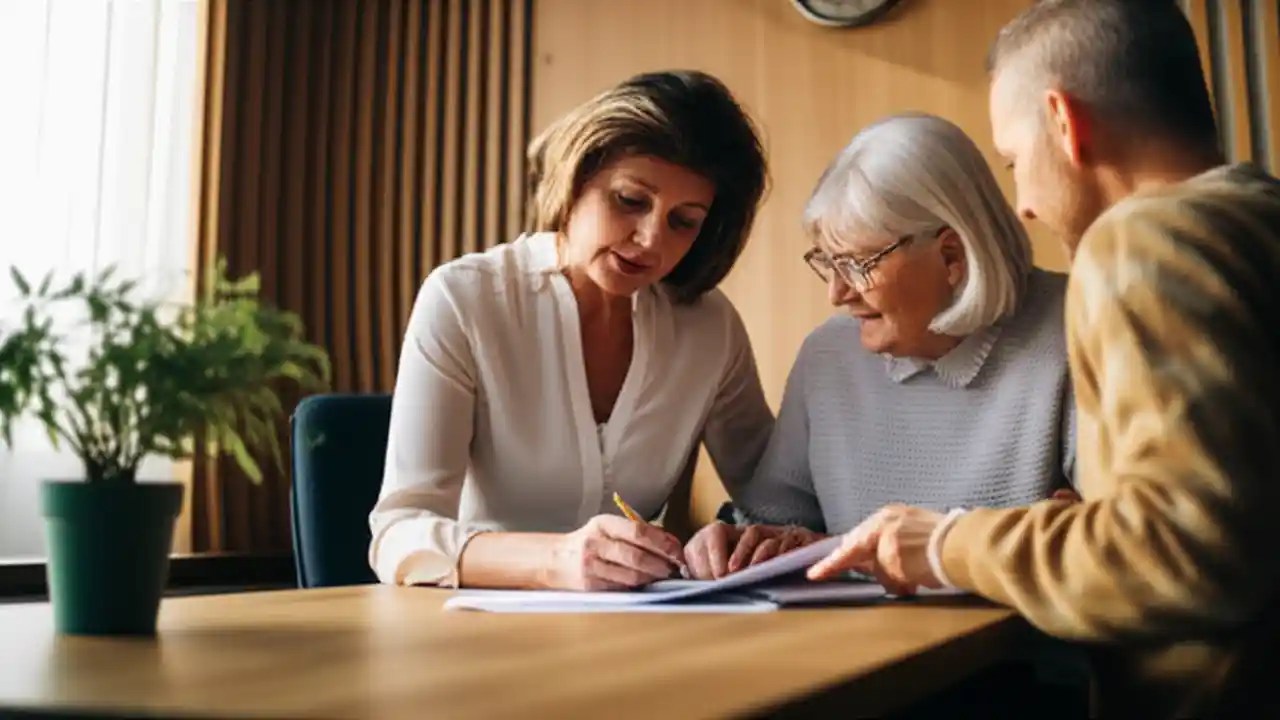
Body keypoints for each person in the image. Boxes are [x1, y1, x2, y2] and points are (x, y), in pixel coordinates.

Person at [808, 2, 1280, 716]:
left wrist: (946, 544)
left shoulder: (1140, 240)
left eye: (1013, 161)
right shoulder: (1258, 220)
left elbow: (1186, 551)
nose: (1024, 204)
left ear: (1063, 121)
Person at [369, 70, 773, 591]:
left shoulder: (709, 327)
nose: (650, 239)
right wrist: (556, 559)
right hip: (482, 620)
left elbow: (774, 497)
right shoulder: (465, 299)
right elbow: (399, 535)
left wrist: (737, 536)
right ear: (575, 179)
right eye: (630, 200)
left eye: (683, 221)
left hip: (641, 622)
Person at [684, 113, 1076, 580]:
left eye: (857, 265)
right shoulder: (830, 356)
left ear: (951, 256)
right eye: (829, 263)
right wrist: (738, 541)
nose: (837, 294)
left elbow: (1104, 541)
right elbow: (774, 521)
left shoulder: (1077, 327)